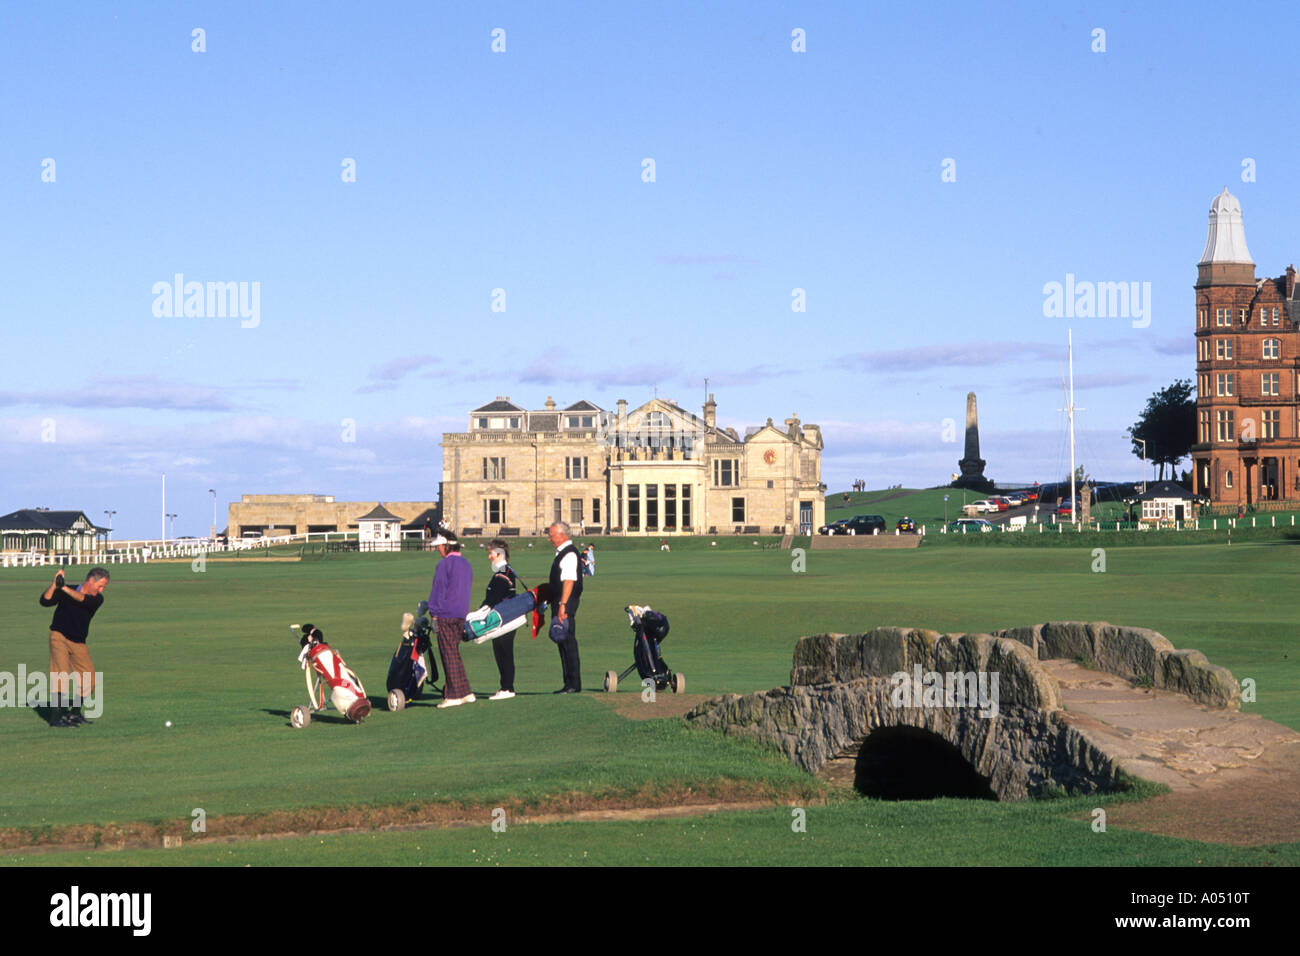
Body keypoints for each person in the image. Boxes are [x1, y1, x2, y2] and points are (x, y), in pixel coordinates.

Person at [39, 567, 110, 727]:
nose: (101, 589)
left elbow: (81, 599)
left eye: (103, 587)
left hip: (78, 641)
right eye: (100, 585)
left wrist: (62, 587)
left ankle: (74, 713)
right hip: (59, 636)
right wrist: (54, 584)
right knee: (61, 674)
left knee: (90, 680)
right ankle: (55, 718)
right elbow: (45, 601)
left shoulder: (97, 599)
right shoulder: (67, 589)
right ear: (90, 580)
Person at [427, 531, 475, 707]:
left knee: (448, 654)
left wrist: (433, 613)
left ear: (447, 545)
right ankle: (465, 691)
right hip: (461, 613)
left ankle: (453, 695)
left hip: (446, 614)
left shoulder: (444, 564)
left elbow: (438, 590)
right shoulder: (466, 564)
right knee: (454, 652)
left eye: (440, 546)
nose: (438, 549)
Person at [546, 521, 583, 693]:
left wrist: (563, 605)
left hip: (565, 605)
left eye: (551, 535)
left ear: (562, 535)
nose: (549, 539)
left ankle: (573, 684)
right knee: (562, 641)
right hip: (561, 603)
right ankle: (569, 682)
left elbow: (569, 581)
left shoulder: (569, 554)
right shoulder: (562, 553)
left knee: (568, 642)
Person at [481, 538, 519, 700]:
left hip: (504, 619)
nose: (489, 556)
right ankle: (505, 687)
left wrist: (478, 614)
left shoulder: (503, 574)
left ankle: (507, 688)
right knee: (502, 652)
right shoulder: (505, 571)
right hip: (504, 618)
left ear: (499, 554)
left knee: (504, 652)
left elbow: (492, 599)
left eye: (491, 553)